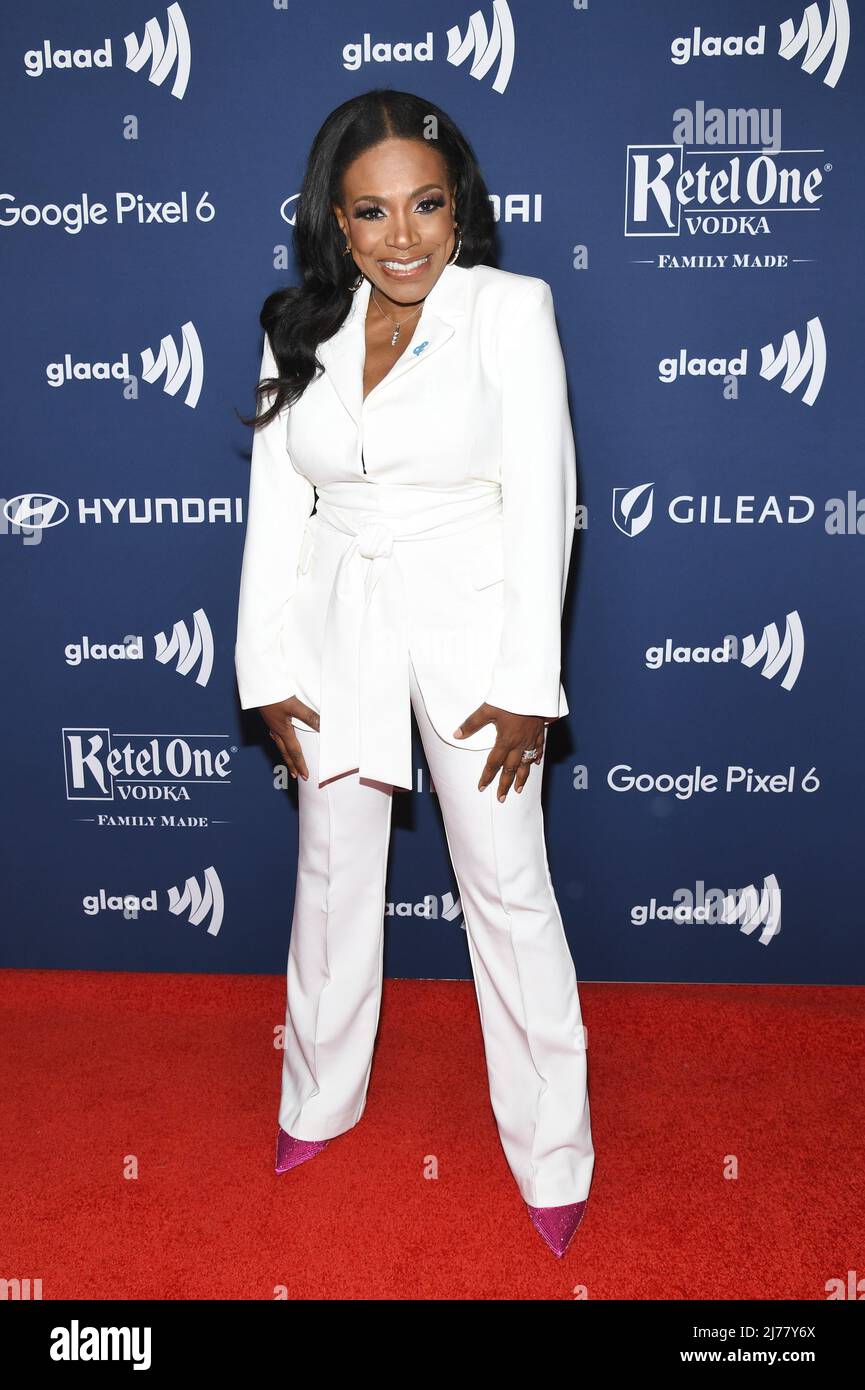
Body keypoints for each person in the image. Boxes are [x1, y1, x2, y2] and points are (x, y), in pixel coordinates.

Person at [234, 89, 594, 1258]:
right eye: (372, 211)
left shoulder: (509, 309)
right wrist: (265, 665)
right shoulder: (299, 324)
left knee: (505, 887)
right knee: (330, 877)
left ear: (460, 206)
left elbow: (543, 498)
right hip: (334, 621)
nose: (403, 236)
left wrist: (528, 683)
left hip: (471, 633)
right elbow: (276, 509)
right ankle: (317, 1096)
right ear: (336, 222)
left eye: (425, 205)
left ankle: (553, 1147)